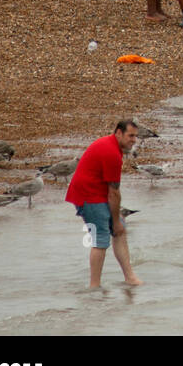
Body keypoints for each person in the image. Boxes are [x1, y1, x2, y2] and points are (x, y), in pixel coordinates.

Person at [66, 119, 143, 288]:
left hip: (97, 193)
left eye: (135, 136)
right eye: (130, 136)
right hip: (89, 197)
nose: (134, 140)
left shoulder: (111, 145)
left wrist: (118, 223)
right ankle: (94, 287)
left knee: (120, 231)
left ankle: (130, 278)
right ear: (118, 133)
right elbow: (114, 193)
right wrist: (115, 222)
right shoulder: (111, 153)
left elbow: (111, 193)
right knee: (101, 240)